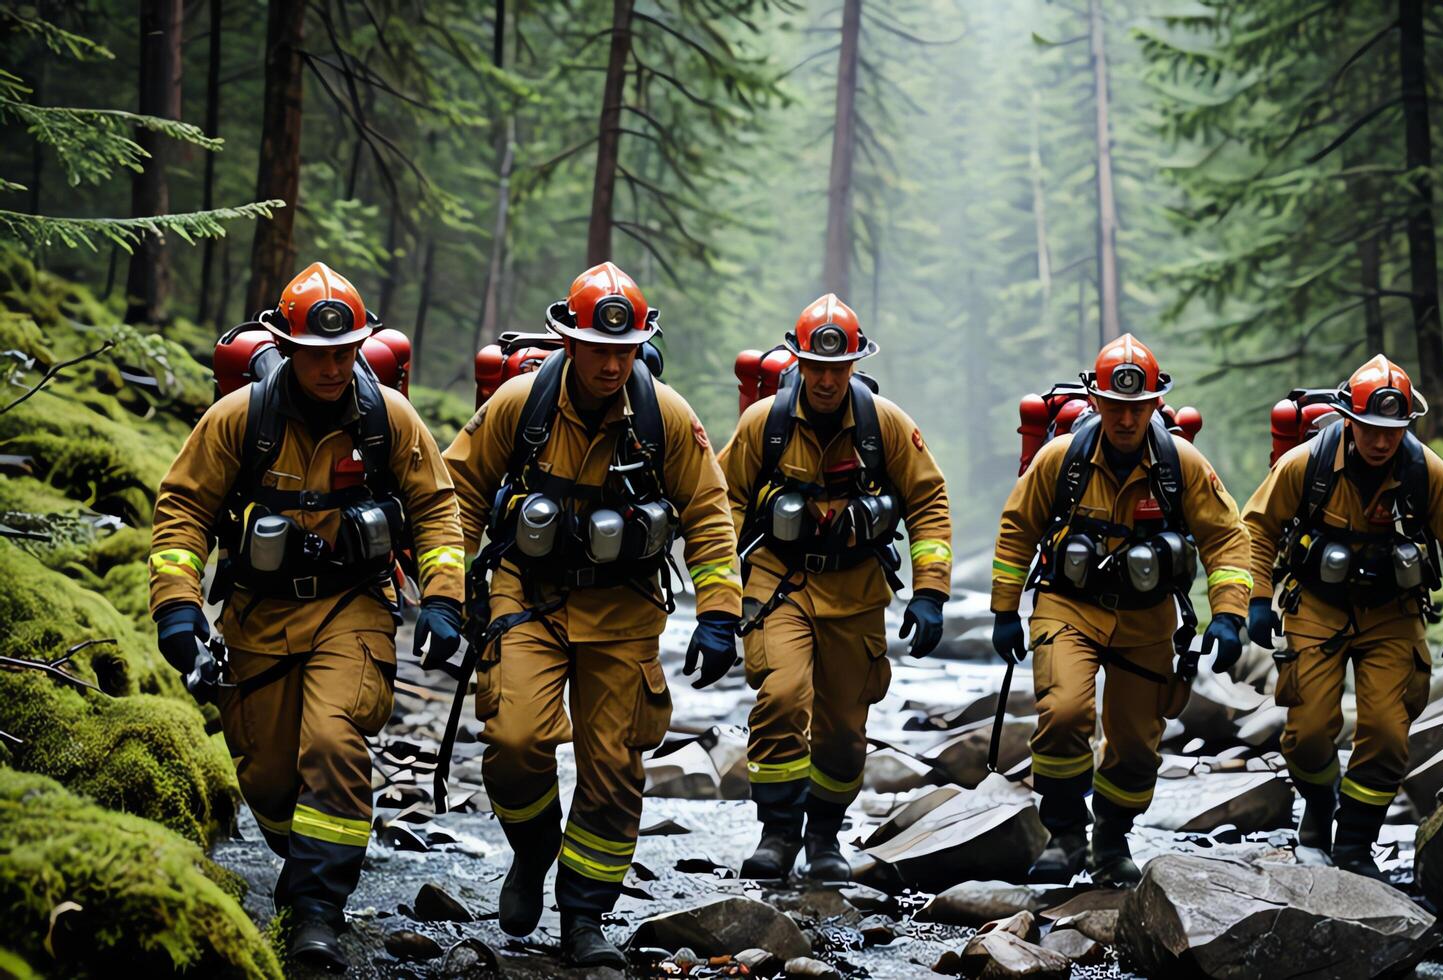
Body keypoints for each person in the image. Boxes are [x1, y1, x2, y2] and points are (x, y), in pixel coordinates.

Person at [150, 261, 466, 971]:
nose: (332, 366)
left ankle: (316, 911)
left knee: (331, 740)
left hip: (353, 608)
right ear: (287, 347)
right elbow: (184, 511)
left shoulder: (390, 418)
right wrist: (176, 605)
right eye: (318, 353)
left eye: (345, 351)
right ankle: (306, 858)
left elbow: (436, 509)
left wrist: (444, 597)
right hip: (257, 617)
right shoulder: (240, 419)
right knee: (266, 777)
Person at [441, 261, 740, 970]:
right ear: (569, 342)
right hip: (527, 595)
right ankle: (532, 847)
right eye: (599, 348)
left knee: (613, 768)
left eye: (625, 349)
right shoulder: (520, 404)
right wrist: (445, 593)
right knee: (514, 738)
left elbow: (709, 513)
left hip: (625, 609)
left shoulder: (667, 417)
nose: (612, 363)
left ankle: (583, 916)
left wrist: (720, 612)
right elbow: (456, 492)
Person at [991, 333, 1252, 885]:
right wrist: (1004, 610)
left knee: (1135, 743)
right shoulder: (1061, 458)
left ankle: (1110, 839)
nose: (1126, 419)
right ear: (1096, 400)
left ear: (1155, 403)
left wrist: (1229, 613)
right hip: (1068, 607)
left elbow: (1226, 538)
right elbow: (1017, 528)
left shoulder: (1181, 464)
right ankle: (1064, 835)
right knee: (1064, 713)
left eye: (1137, 407)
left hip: (1147, 618)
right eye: (1115, 405)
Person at [719, 293, 953, 881]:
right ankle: (777, 833)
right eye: (816, 367)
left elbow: (928, 500)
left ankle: (824, 836)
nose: (826, 380)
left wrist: (930, 592)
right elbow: (722, 504)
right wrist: (719, 602)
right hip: (779, 581)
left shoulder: (885, 425)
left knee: (845, 733)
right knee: (781, 697)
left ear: (854, 364)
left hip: (856, 589)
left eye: (838, 367)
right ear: (799, 361)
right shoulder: (763, 423)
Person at [1242, 354, 1443, 878]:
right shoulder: (1305, 465)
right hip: (1316, 605)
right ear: (1348, 419)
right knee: (1309, 729)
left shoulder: (1427, 473)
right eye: (1371, 428)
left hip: (1393, 613)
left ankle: (1355, 845)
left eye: (1392, 431)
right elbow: (1257, 529)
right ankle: (1318, 812)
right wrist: (1258, 598)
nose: (1381, 441)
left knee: (1386, 731)